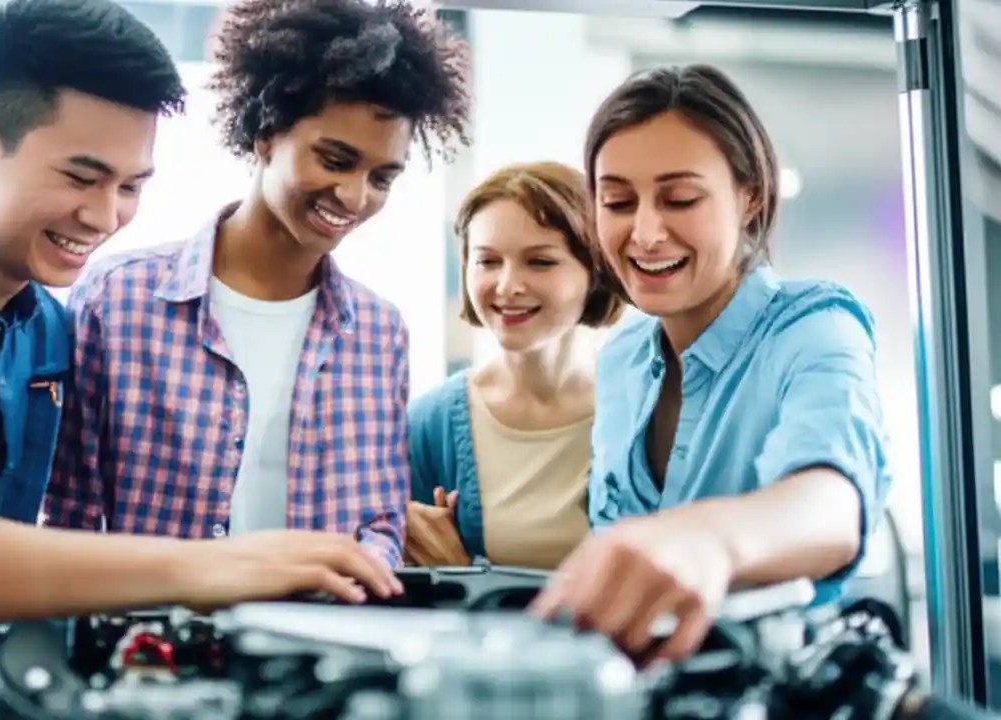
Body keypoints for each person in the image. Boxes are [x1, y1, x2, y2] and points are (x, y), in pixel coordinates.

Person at [0, 3, 400, 719]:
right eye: (80, 176)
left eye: (130, 186)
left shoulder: (50, 334)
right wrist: (208, 565)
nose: (105, 217)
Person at [43, 0, 472, 568]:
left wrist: (368, 560)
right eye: (335, 159)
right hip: (151, 644)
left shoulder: (378, 332)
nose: (355, 196)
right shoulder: (118, 300)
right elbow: (72, 513)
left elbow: (380, 523)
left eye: (381, 177)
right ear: (266, 133)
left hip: (318, 646)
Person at [529, 64, 893, 665]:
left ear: (748, 196)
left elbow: (833, 506)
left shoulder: (814, 326)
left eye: (680, 199)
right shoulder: (621, 361)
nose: (644, 233)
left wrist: (711, 539)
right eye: (617, 200)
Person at [405, 162, 624, 570]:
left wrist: (469, 573)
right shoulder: (427, 425)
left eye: (540, 262)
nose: (507, 286)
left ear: (596, 270)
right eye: (488, 262)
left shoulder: (647, 412)